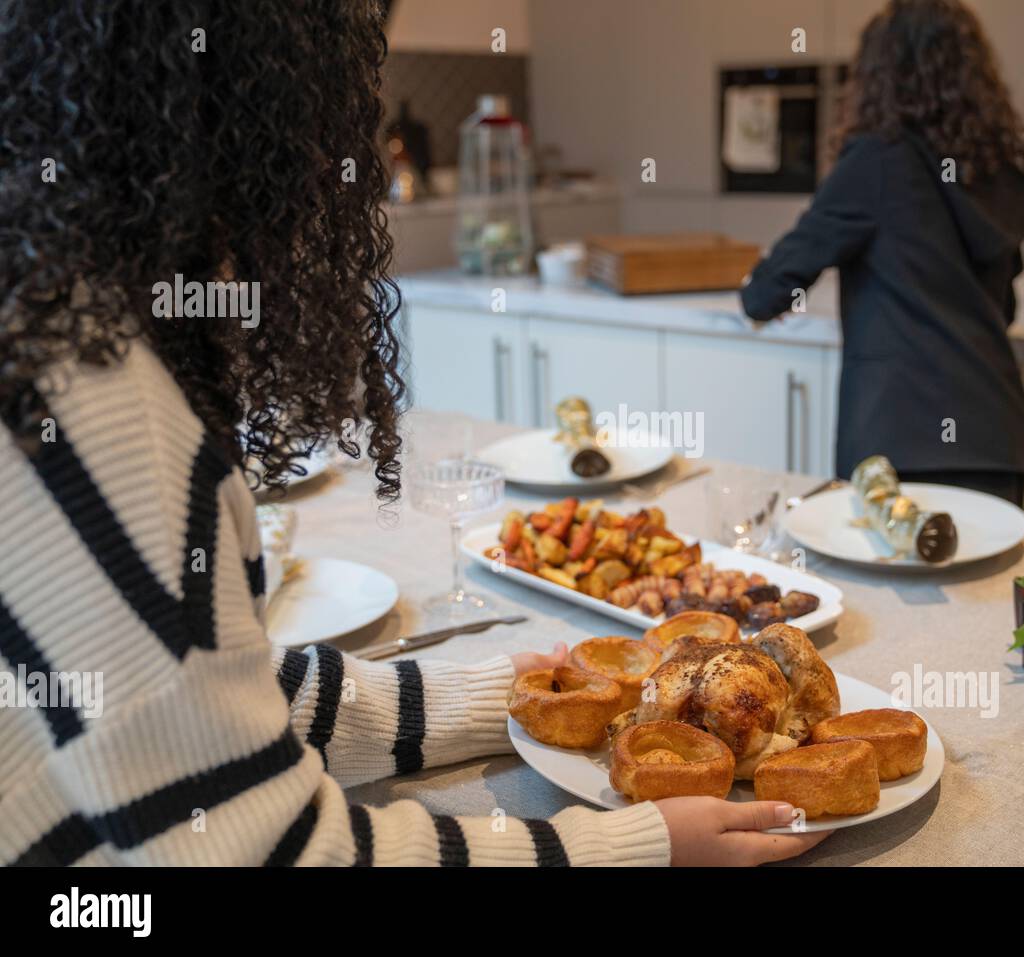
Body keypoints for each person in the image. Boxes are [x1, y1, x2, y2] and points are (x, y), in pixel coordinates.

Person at [0, 0, 825, 867]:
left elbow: (205, 701)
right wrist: (621, 850)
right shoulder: (86, 396)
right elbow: (276, 856)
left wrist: (493, 699)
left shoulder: (56, 315)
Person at [741, 0, 1024, 507]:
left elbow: (769, 290)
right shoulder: (989, 168)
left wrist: (754, 285)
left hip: (899, 445)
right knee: (993, 591)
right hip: (996, 442)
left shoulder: (878, 161)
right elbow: (1003, 309)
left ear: (877, 76)